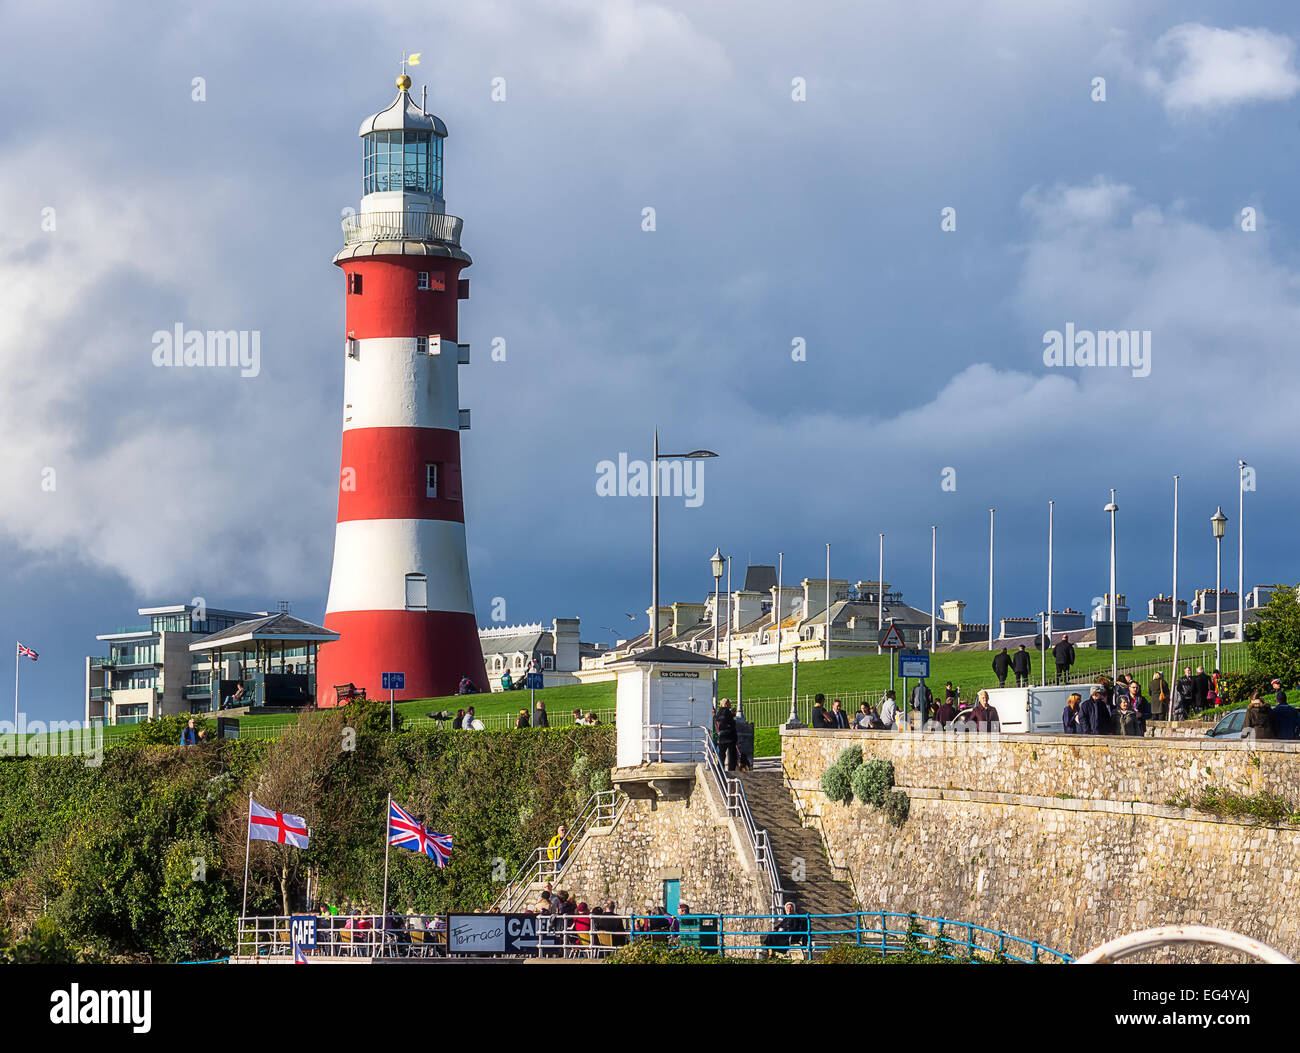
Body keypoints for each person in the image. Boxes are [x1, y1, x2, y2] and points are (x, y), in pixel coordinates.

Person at [715, 698, 739, 771]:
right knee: (732, 754)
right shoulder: (727, 712)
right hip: (730, 737)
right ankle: (732, 770)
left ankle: (720, 769)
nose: (730, 705)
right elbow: (731, 722)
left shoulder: (719, 712)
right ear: (726, 704)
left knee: (722, 754)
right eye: (729, 703)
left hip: (722, 737)